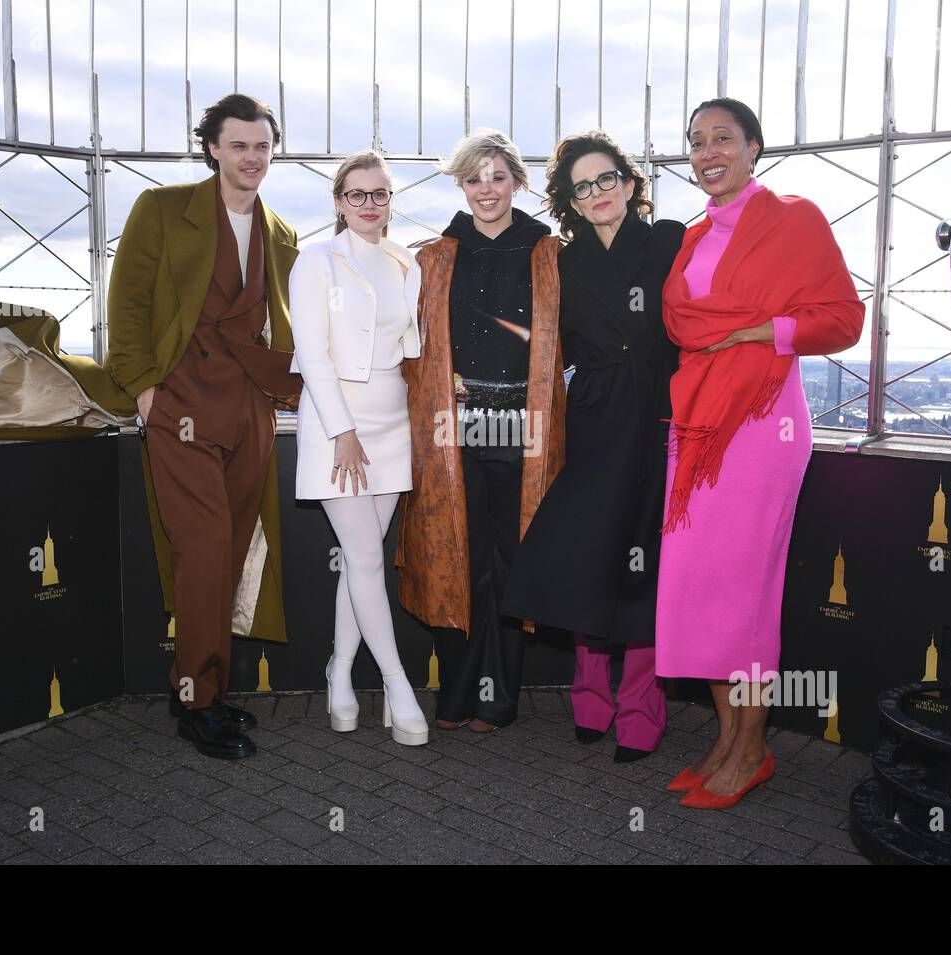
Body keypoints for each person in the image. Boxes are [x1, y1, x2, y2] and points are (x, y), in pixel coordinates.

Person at [657, 98, 864, 808]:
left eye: (724, 137)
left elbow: (842, 319)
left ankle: (751, 748)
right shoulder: (692, 236)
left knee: (744, 593)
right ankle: (727, 740)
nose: (708, 151)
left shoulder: (794, 219)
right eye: (697, 141)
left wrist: (756, 332)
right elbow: (683, 323)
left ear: (754, 148)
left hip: (762, 424)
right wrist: (729, 332)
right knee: (703, 589)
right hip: (698, 424)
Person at [106, 94, 301, 760]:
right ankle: (197, 702)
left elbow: (286, 322)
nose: (252, 157)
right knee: (207, 551)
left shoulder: (280, 232)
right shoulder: (161, 209)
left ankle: (199, 686)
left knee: (233, 552)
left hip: (249, 409)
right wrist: (144, 392)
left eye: (262, 145)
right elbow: (127, 305)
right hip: (180, 407)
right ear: (212, 148)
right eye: (238, 144)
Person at [502, 131, 683, 762]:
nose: (597, 192)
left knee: (645, 565)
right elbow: (537, 338)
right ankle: (590, 699)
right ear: (571, 202)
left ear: (629, 185)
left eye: (607, 179)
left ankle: (641, 710)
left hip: (661, 414)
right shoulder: (561, 261)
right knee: (588, 557)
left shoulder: (669, 240)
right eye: (582, 187)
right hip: (595, 416)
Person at [395, 130, 565, 733]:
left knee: (511, 563)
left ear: (516, 181)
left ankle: (498, 699)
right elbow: (406, 349)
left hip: (524, 430)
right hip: (453, 431)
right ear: (460, 185)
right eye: (474, 178)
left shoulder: (551, 253)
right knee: (456, 561)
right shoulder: (434, 257)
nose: (486, 189)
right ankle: (458, 694)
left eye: (497, 177)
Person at [289, 150, 428, 746]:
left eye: (380, 193)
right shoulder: (315, 260)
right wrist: (341, 431)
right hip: (335, 424)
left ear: (391, 200)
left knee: (360, 560)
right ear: (339, 202)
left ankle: (340, 670)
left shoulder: (405, 261)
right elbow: (313, 354)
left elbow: (413, 346)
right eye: (357, 194)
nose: (370, 204)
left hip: (392, 420)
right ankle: (398, 683)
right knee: (367, 558)